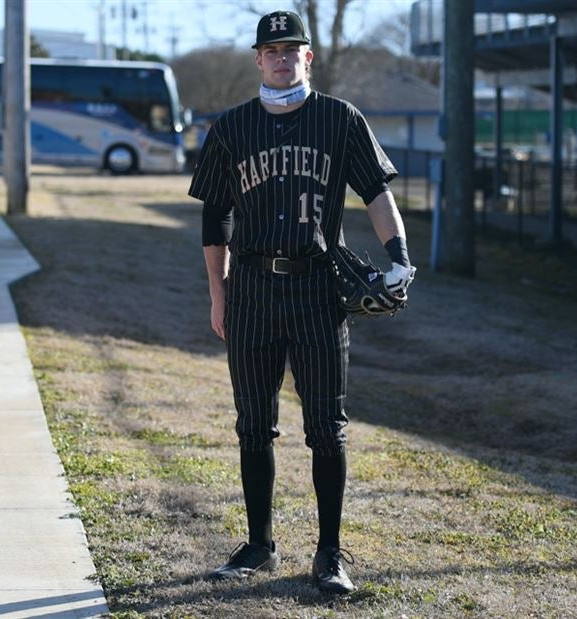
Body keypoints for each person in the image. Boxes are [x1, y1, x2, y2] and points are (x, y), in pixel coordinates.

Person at [188, 10, 415, 595]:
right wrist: (219, 295)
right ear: (258, 60)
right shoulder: (231, 128)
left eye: (293, 49)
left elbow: (376, 191)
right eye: (273, 50)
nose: (283, 57)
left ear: (307, 57)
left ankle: (329, 554)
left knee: (327, 428)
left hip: (319, 287)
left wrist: (400, 256)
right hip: (253, 291)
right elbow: (214, 218)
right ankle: (259, 545)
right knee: (252, 426)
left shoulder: (340, 119)